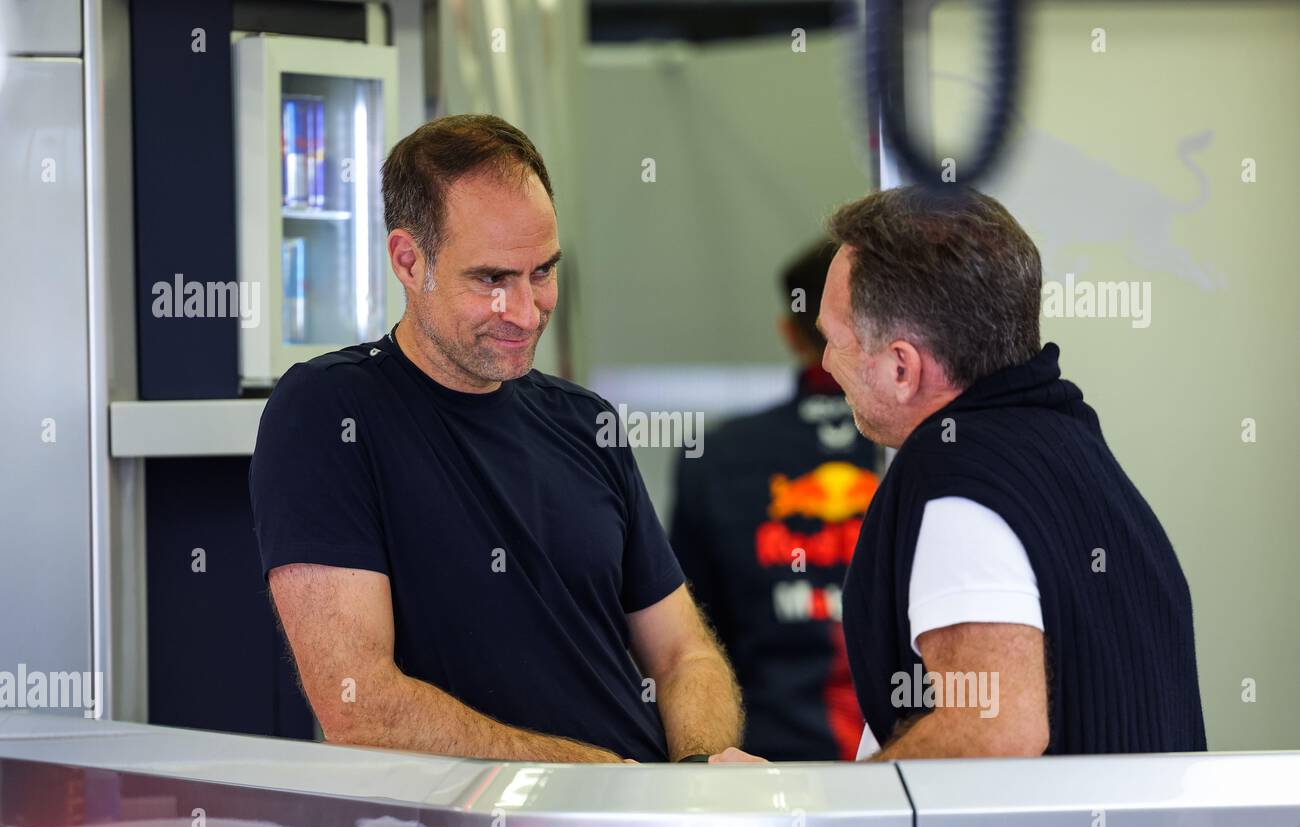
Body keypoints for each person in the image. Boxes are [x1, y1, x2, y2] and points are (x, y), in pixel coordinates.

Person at [250, 114, 742, 763]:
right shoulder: (328, 412)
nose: (527, 309)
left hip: (637, 818)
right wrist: (592, 776)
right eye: (491, 280)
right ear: (408, 260)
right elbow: (359, 704)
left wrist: (700, 766)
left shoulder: (583, 422)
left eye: (542, 272)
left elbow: (684, 653)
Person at [713, 186, 1205, 764]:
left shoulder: (954, 482)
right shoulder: (1071, 443)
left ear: (902, 367)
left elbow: (995, 729)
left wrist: (818, 806)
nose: (823, 363)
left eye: (836, 342)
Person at [670, 241, 878, 760]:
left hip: (769, 771)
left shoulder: (717, 455)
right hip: (923, 773)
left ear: (790, 333)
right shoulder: (936, 442)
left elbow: (693, 633)